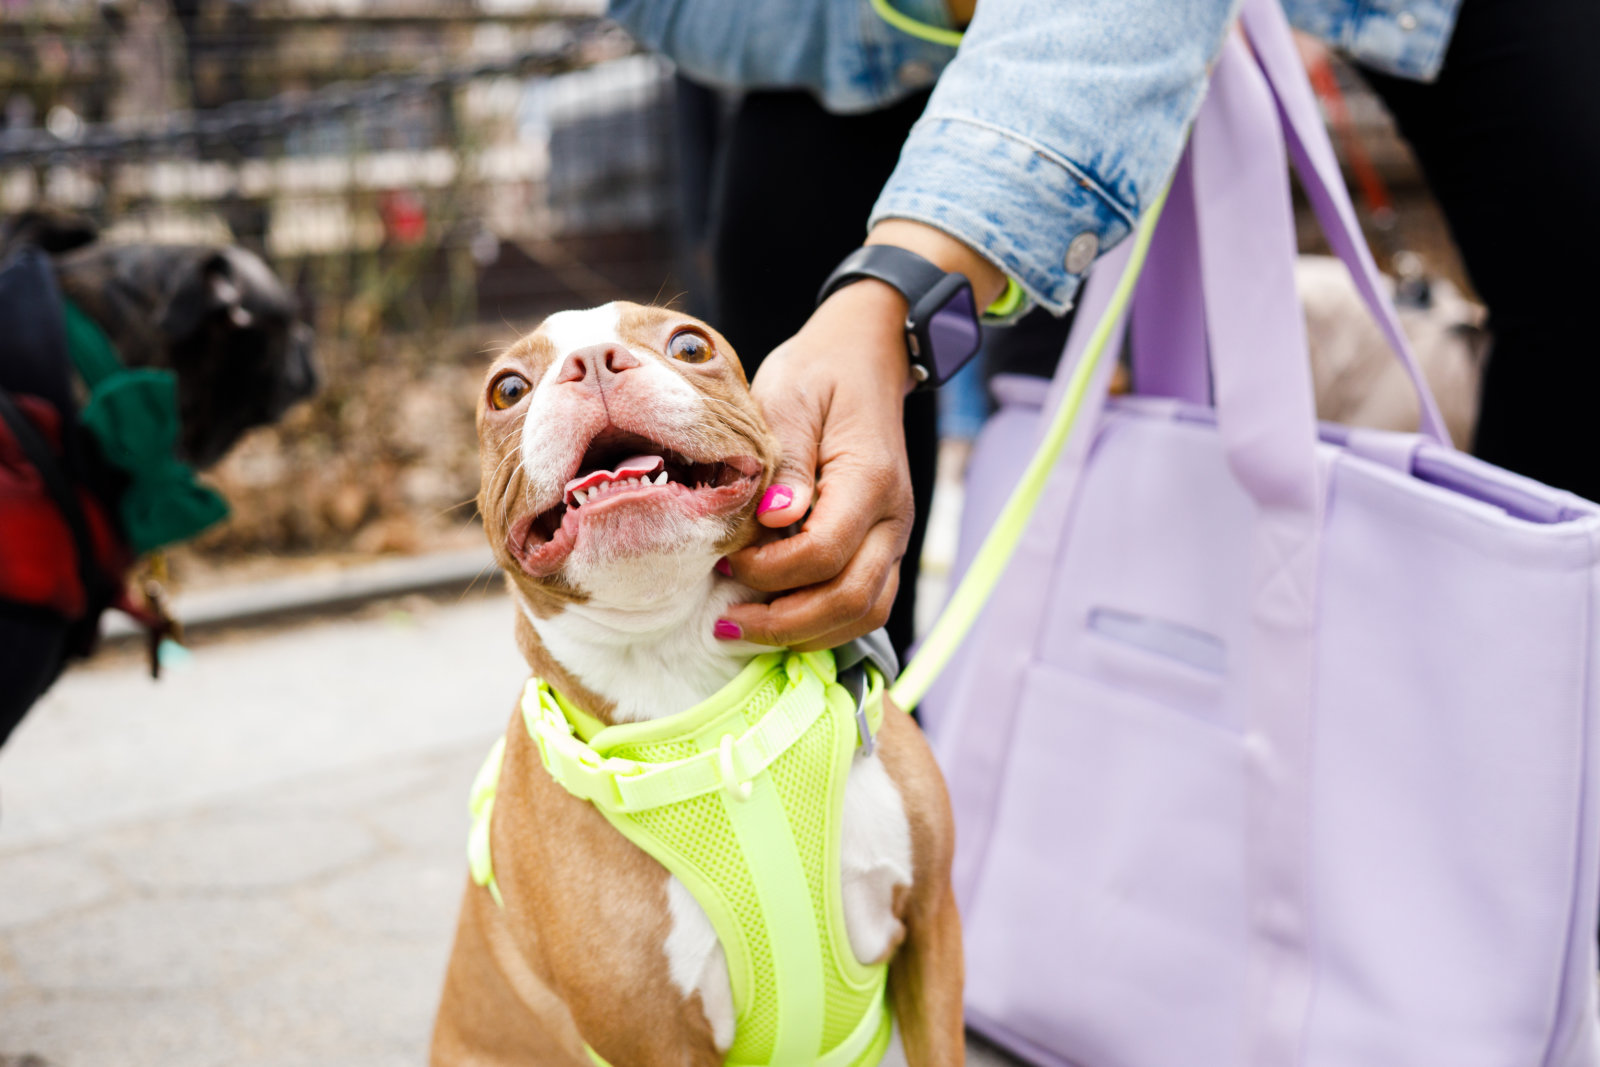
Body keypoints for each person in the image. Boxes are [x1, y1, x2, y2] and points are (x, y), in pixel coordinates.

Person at [610, 0, 1599, 650]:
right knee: (785, 236)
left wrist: (896, 289)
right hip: (904, 35)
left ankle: (1525, 723)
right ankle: (835, 793)